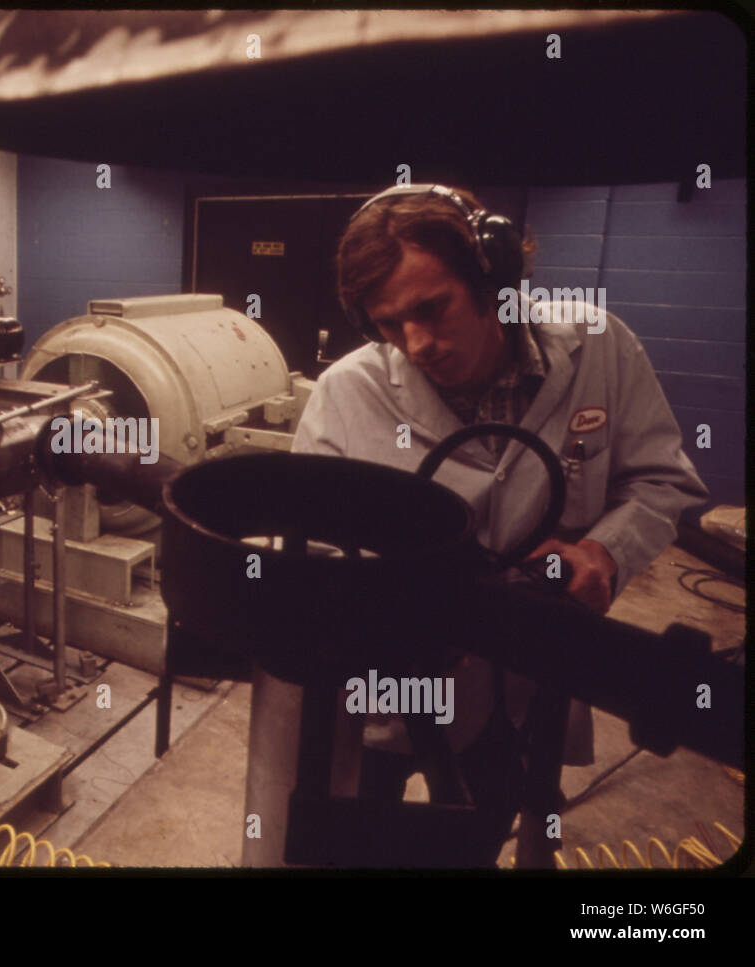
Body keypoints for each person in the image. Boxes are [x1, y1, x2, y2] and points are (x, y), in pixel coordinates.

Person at [291, 184, 709, 865]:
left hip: (525, 681)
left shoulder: (601, 349)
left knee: (481, 833)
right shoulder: (347, 393)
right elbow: (308, 546)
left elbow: (661, 479)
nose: (417, 343)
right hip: (390, 690)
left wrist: (605, 550)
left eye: (432, 308)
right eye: (390, 325)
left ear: (496, 275)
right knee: (362, 839)